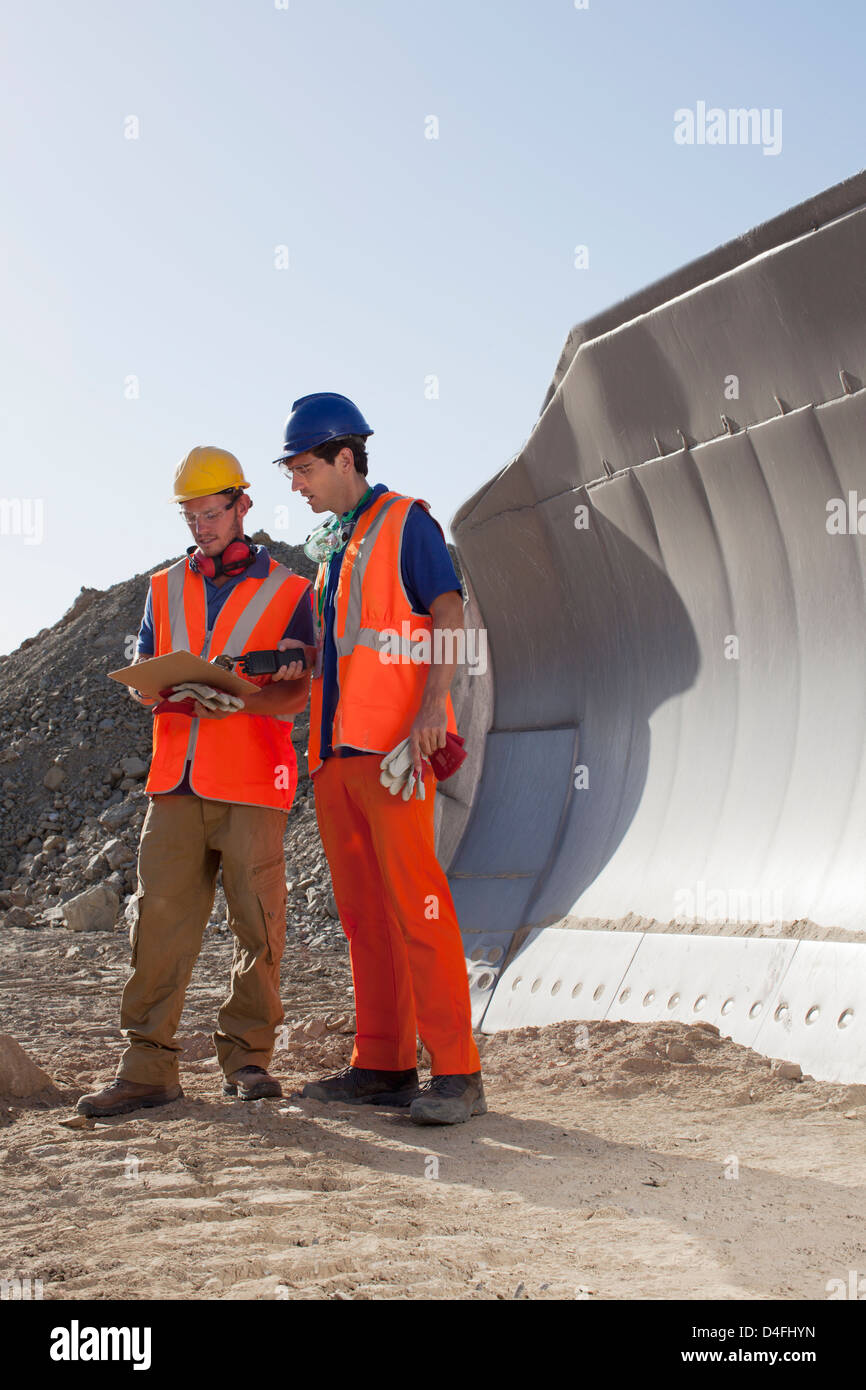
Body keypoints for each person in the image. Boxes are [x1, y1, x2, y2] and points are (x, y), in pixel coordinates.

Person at [78, 446, 314, 1118]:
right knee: (159, 926)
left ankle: (248, 1061)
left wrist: (242, 699)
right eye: (191, 517)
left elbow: (299, 693)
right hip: (174, 783)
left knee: (259, 926)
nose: (202, 527)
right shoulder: (161, 589)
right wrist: (159, 691)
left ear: (243, 505)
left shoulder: (293, 592)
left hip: (252, 780)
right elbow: (146, 680)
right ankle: (147, 1069)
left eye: (212, 512)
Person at [272, 394, 485, 1126]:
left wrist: (434, 707)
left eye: (302, 468)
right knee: (364, 919)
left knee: (420, 908)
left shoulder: (406, 524)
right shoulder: (336, 547)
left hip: (394, 752)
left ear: (343, 456)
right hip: (335, 760)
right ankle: (384, 1065)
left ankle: (458, 1072)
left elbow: (449, 614)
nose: (295, 484)